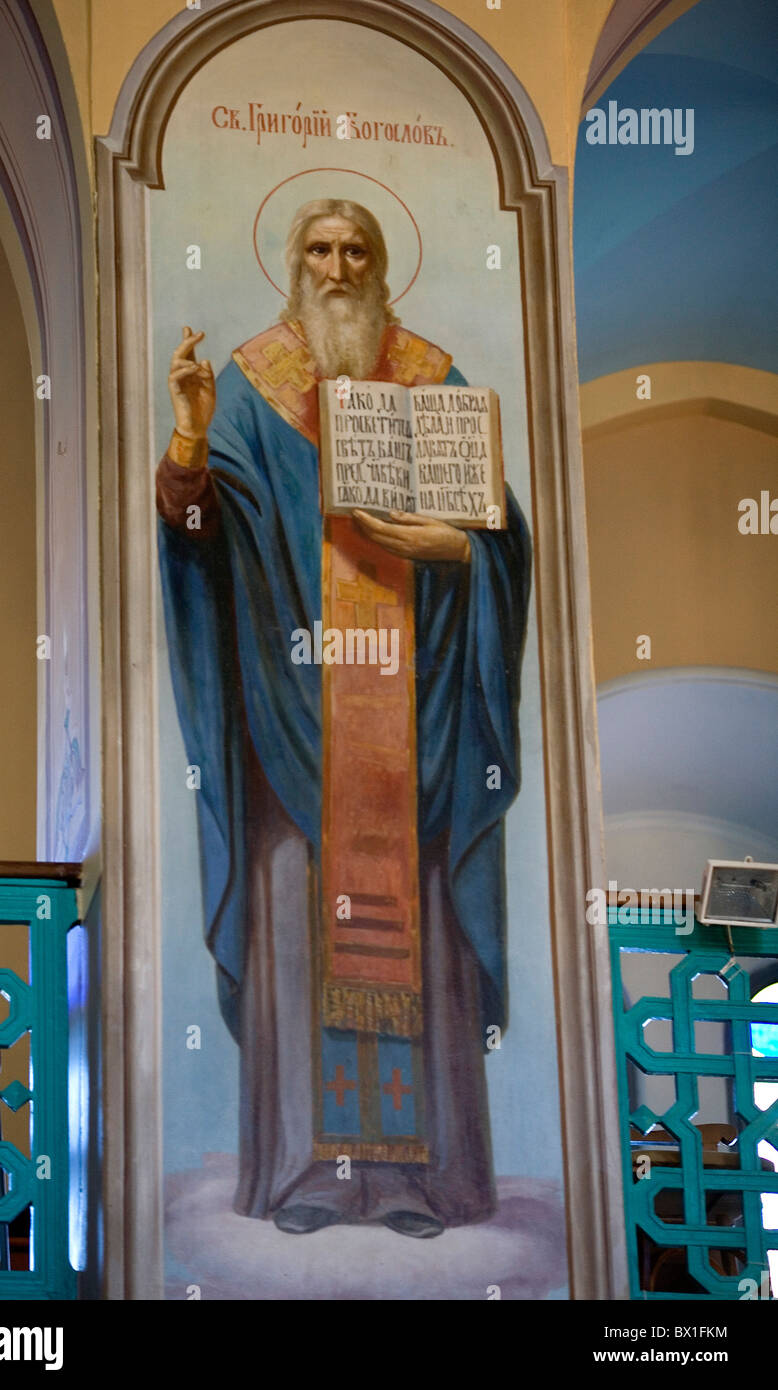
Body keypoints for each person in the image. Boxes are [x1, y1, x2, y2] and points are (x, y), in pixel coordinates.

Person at [156, 198, 531, 1237]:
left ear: (379, 268)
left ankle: (417, 1178)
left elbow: (498, 536)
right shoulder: (250, 384)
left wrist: (458, 552)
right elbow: (197, 533)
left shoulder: (432, 381)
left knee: (416, 941)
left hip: (412, 734)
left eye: (354, 249)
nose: (337, 265)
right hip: (290, 718)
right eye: (318, 249)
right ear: (292, 263)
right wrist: (189, 435)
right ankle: (311, 1170)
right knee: (299, 933)